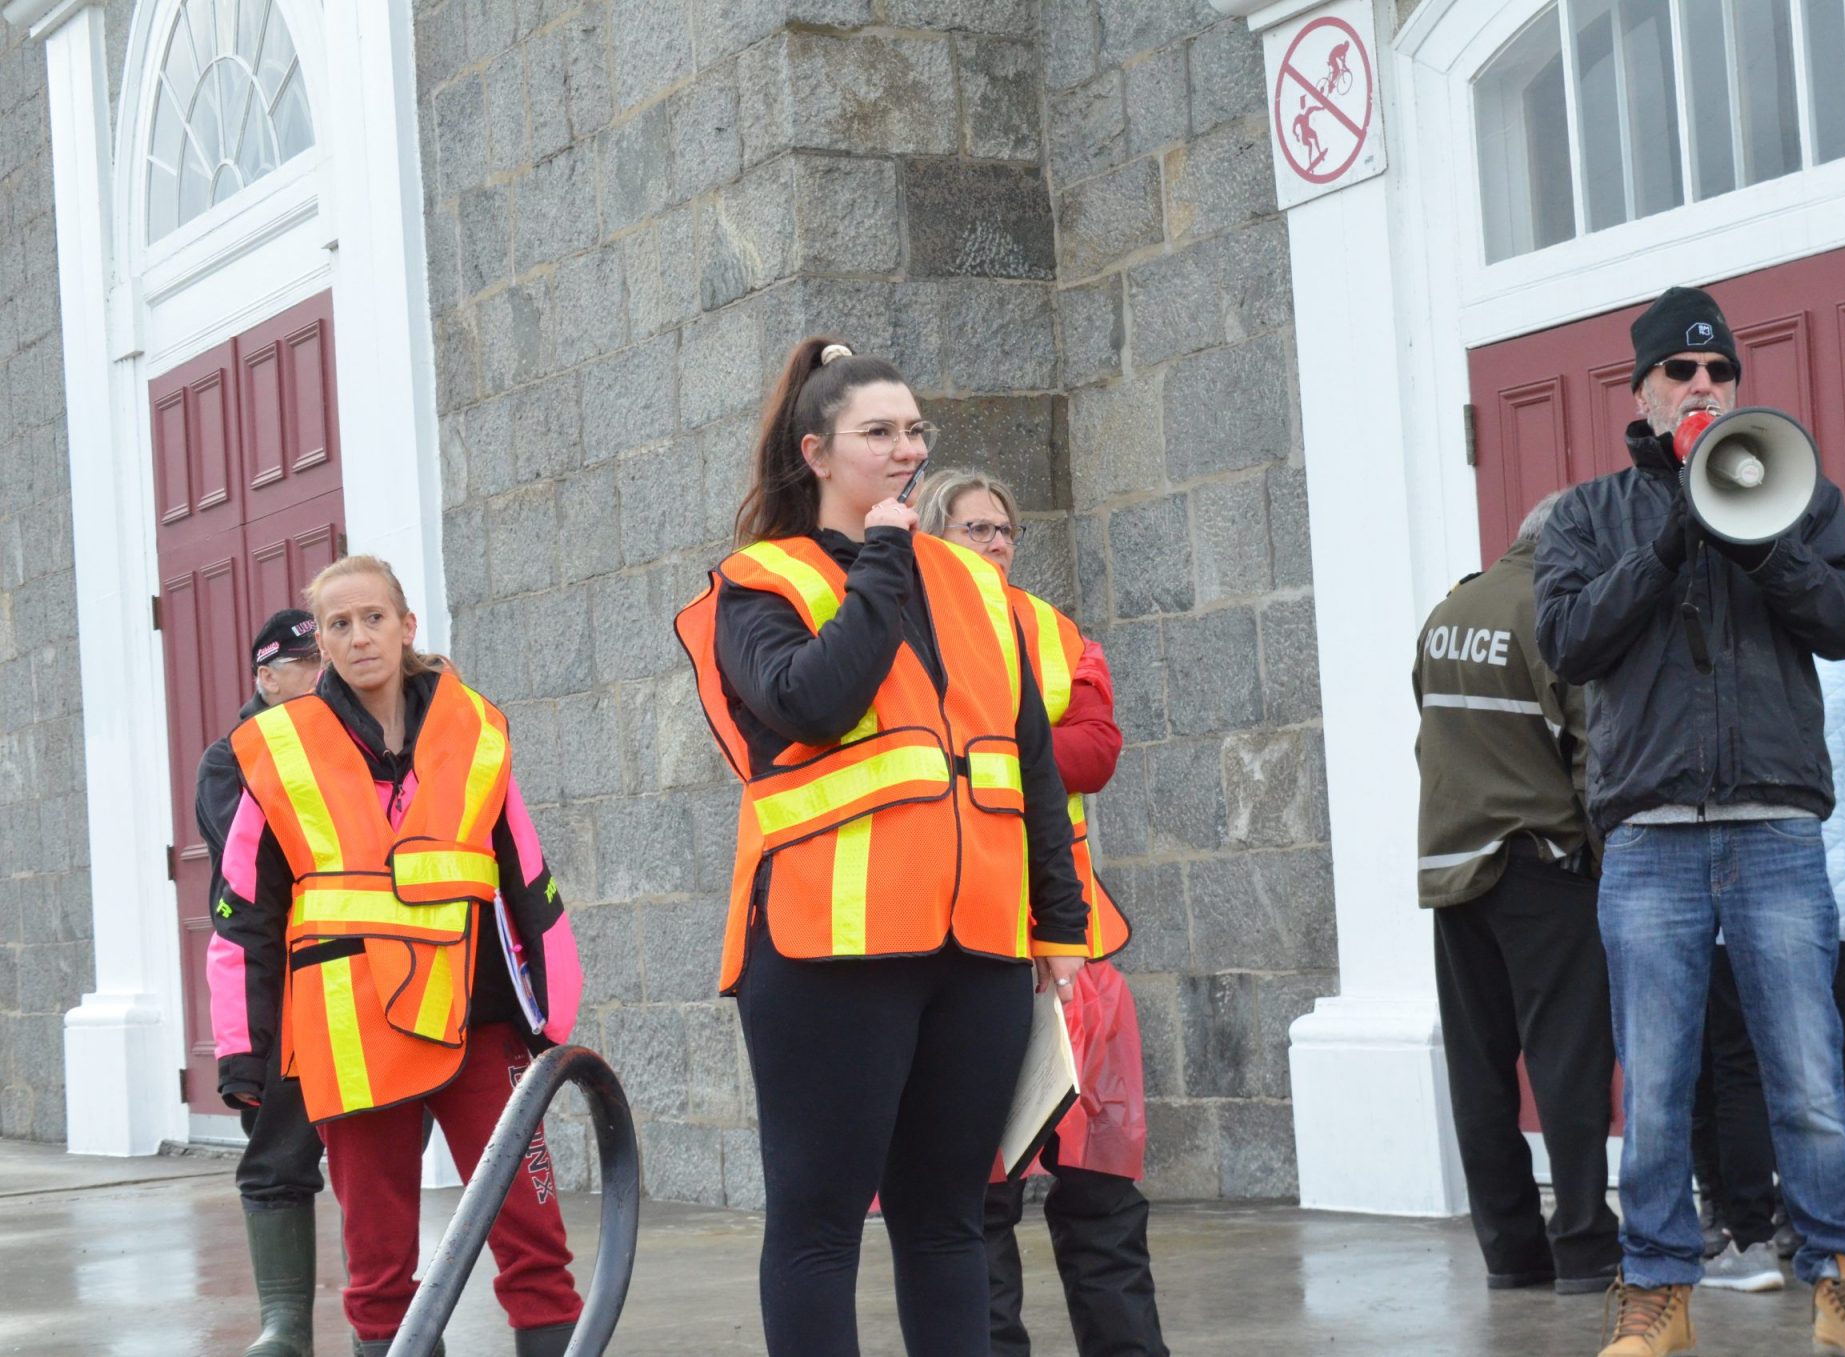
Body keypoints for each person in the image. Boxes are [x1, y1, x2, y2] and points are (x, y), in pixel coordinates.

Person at [672, 338, 1091, 1357]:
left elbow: (1029, 758)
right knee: (816, 1225)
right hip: (828, 950)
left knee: (947, 1220)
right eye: (878, 433)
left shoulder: (979, 590)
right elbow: (813, 700)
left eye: (915, 431)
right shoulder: (756, 582)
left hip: (978, 946)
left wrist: (1060, 918)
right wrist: (887, 556)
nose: (904, 449)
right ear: (816, 452)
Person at [1532, 285, 1845, 1357]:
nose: (1701, 387)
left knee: (1805, 1078)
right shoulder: (1586, 515)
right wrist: (1665, 546)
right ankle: (1655, 1290)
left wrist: (1757, 543)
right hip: (1650, 832)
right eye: (1680, 373)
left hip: (1773, 828)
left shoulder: (1798, 494)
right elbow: (1564, 641)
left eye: (1718, 373)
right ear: (1643, 390)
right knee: (1654, 1085)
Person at [207, 555, 585, 1357]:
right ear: (324, 641)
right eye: (338, 624)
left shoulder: (478, 726)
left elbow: (525, 870)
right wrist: (245, 1050)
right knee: (379, 1265)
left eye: (373, 617)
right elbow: (244, 909)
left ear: (407, 626)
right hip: (349, 1032)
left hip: (481, 1021)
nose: (358, 636)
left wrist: (554, 1006)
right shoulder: (276, 749)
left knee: (536, 1237)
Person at [913, 468, 1168, 1357]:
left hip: (1074, 954)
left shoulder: (1050, 631)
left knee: (1102, 1195)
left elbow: (1095, 750)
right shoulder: (907, 629)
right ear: (932, 535)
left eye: (1004, 529)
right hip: (969, 951)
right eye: (974, 528)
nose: (994, 543)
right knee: (977, 1205)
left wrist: (997, 741)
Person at [1413, 491, 1621, 1296]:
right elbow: (1592, 758)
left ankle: (1509, 1249)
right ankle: (1585, 1249)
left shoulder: (1445, 613)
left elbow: (1428, 739)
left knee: (1480, 1069)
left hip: (1454, 868)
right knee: (1568, 1066)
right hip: (1543, 866)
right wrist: (1606, 864)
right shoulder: (1554, 614)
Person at [1690, 652, 1845, 1290]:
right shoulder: (1843, 676)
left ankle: (1746, 1236)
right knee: (1833, 1060)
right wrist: (1830, 838)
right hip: (1832, 897)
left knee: (1738, 1065)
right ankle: (1841, 1227)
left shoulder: (1727, 668)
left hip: (1739, 897)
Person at [195, 609, 326, 1357]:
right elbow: (264, 859)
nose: (319, 675)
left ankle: (401, 1327)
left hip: (363, 974)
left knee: (382, 1162)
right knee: (277, 1155)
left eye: (322, 661)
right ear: (265, 679)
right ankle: (286, 1325)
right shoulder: (231, 760)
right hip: (273, 986)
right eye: (302, 664)